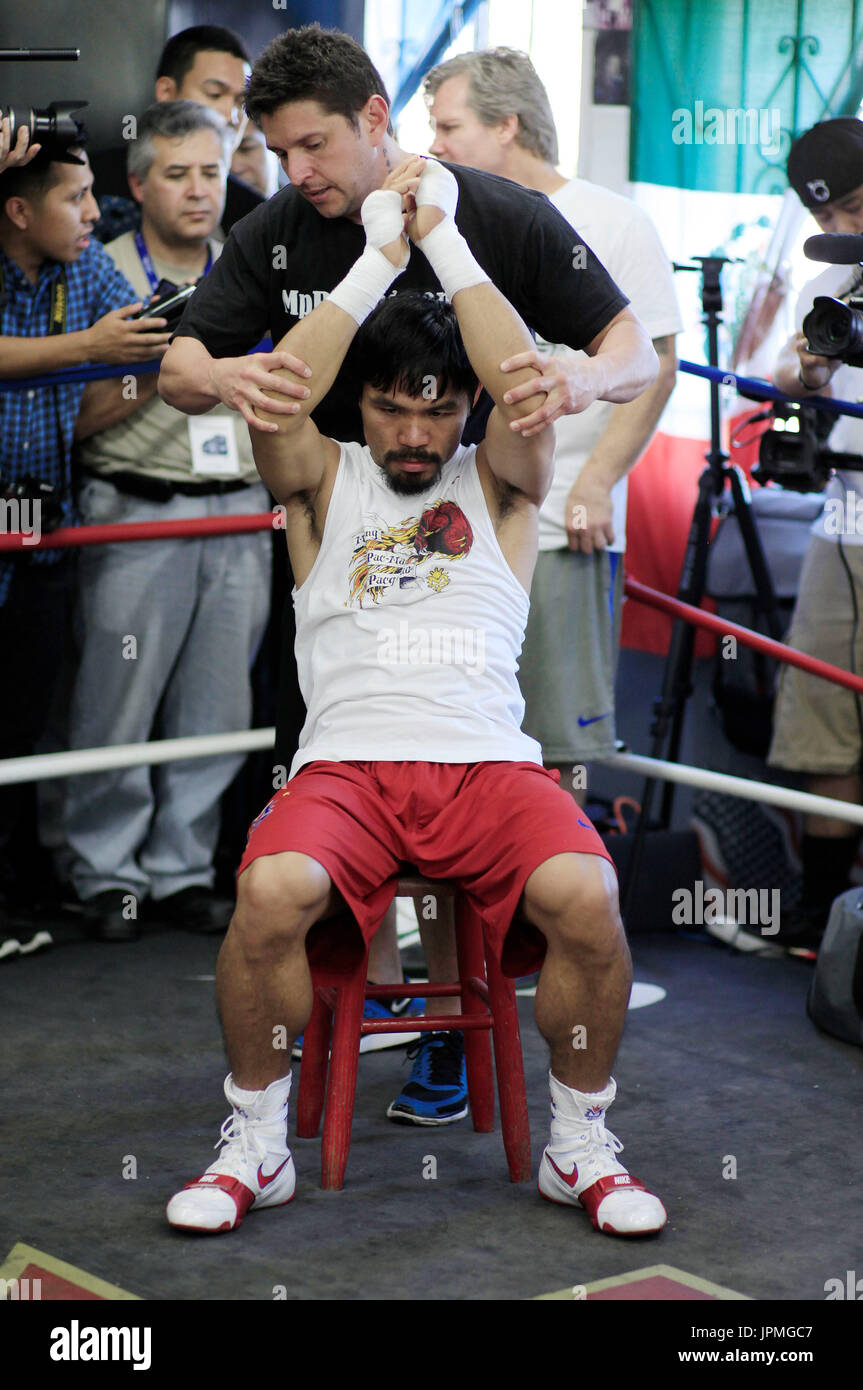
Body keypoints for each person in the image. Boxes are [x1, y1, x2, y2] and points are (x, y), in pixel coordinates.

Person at [158, 22, 658, 1118]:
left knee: (479, 778)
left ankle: (443, 1033)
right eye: (278, 150)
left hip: (473, 505)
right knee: (336, 795)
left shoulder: (502, 214)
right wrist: (232, 378)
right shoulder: (285, 228)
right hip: (329, 504)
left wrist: (576, 388)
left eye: (314, 147)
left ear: (375, 119)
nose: (295, 173)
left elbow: (631, 348)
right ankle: (343, 1024)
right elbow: (183, 360)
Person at [424, 48, 680, 791]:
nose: (434, 144)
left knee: (555, 739)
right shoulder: (441, 222)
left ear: (507, 125)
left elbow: (653, 369)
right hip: (448, 524)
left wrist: (595, 484)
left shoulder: (613, 220)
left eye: (449, 126)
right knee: (453, 732)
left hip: (562, 520)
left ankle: (552, 901)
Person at [62, 102, 272, 943]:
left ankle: (182, 870)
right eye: (177, 174)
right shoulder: (101, 269)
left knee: (217, 707)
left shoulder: (253, 263)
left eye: (212, 173)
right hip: (135, 507)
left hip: (240, 510)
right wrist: (158, 357)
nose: (197, 192)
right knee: (115, 701)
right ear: (139, 184)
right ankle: (104, 874)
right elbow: (68, 419)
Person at [0, 136, 171, 957]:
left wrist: (194, 328)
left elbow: (142, 323)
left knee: (23, 718)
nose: (96, 215)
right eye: (75, 198)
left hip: (39, 530)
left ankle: (11, 899)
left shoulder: (83, 267)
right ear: (19, 210)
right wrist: (89, 351)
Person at [768, 116, 863, 953]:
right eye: (829, 221)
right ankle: (820, 915)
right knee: (824, 715)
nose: (844, 233)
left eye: (857, 212)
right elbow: (781, 375)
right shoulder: (826, 285)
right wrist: (809, 368)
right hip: (841, 521)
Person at [89, 25, 263, 243]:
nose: (232, 116)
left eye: (240, 102)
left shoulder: (254, 215)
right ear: (166, 92)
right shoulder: (92, 183)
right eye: (215, 94)